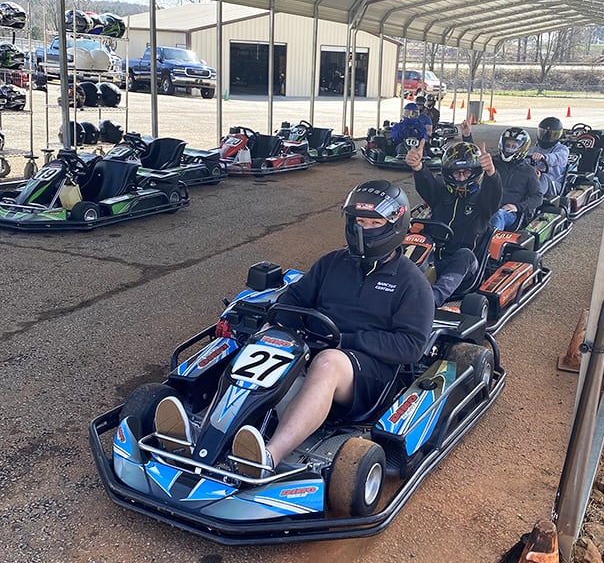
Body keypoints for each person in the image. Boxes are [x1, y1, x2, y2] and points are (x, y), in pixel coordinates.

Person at [154, 180, 436, 477]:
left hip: (368, 377)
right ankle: (203, 439)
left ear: (395, 223)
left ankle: (268, 458)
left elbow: (411, 345)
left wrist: (344, 342)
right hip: (313, 348)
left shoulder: (411, 283)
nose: (362, 230)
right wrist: (274, 327)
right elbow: (294, 298)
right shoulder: (332, 263)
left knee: (329, 362)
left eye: (373, 222)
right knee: (264, 341)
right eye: (358, 221)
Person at [405, 138, 502, 308]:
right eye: (457, 173)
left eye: (466, 173)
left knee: (464, 255)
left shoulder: (482, 202)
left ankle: (431, 301)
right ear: (449, 174)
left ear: (475, 173)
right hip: (434, 256)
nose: (462, 177)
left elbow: (494, 194)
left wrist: (491, 173)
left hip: (465, 266)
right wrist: (418, 167)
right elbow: (427, 186)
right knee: (410, 239)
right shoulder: (441, 196)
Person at [461, 125, 543, 231]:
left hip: (509, 213)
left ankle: (487, 244)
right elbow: (476, 157)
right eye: (507, 145)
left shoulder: (528, 171)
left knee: (498, 215)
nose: (509, 149)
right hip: (487, 206)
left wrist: (517, 207)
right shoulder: (494, 163)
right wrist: (467, 136)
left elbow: (538, 197)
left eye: (513, 146)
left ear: (522, 148)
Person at [527, 116, 570, 196]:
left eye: (551, 135)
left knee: (544, 178)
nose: (546, 137)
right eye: (543, 133)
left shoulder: (562, 150)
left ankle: (533, 201)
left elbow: (557, 158)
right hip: (533, 180)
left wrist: (544, 157)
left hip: (553, 183)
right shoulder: (533, 149)